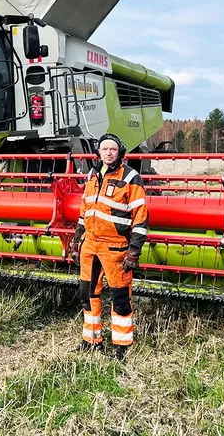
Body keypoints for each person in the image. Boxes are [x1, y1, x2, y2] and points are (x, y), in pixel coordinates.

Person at [70, 133, 149, 358]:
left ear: (120, 152)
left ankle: (121, 346)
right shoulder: (93, 175)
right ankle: (92, 340)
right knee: (87, 295)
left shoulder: (131, 177)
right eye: (104, 149)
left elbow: (141, 219)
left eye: (112, 149)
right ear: (99, 153)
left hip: (116, 249)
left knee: (120, 298)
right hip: (90, 246)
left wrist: (134, 251)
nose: (108, 153)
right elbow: (85, 212)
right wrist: (77, 241)